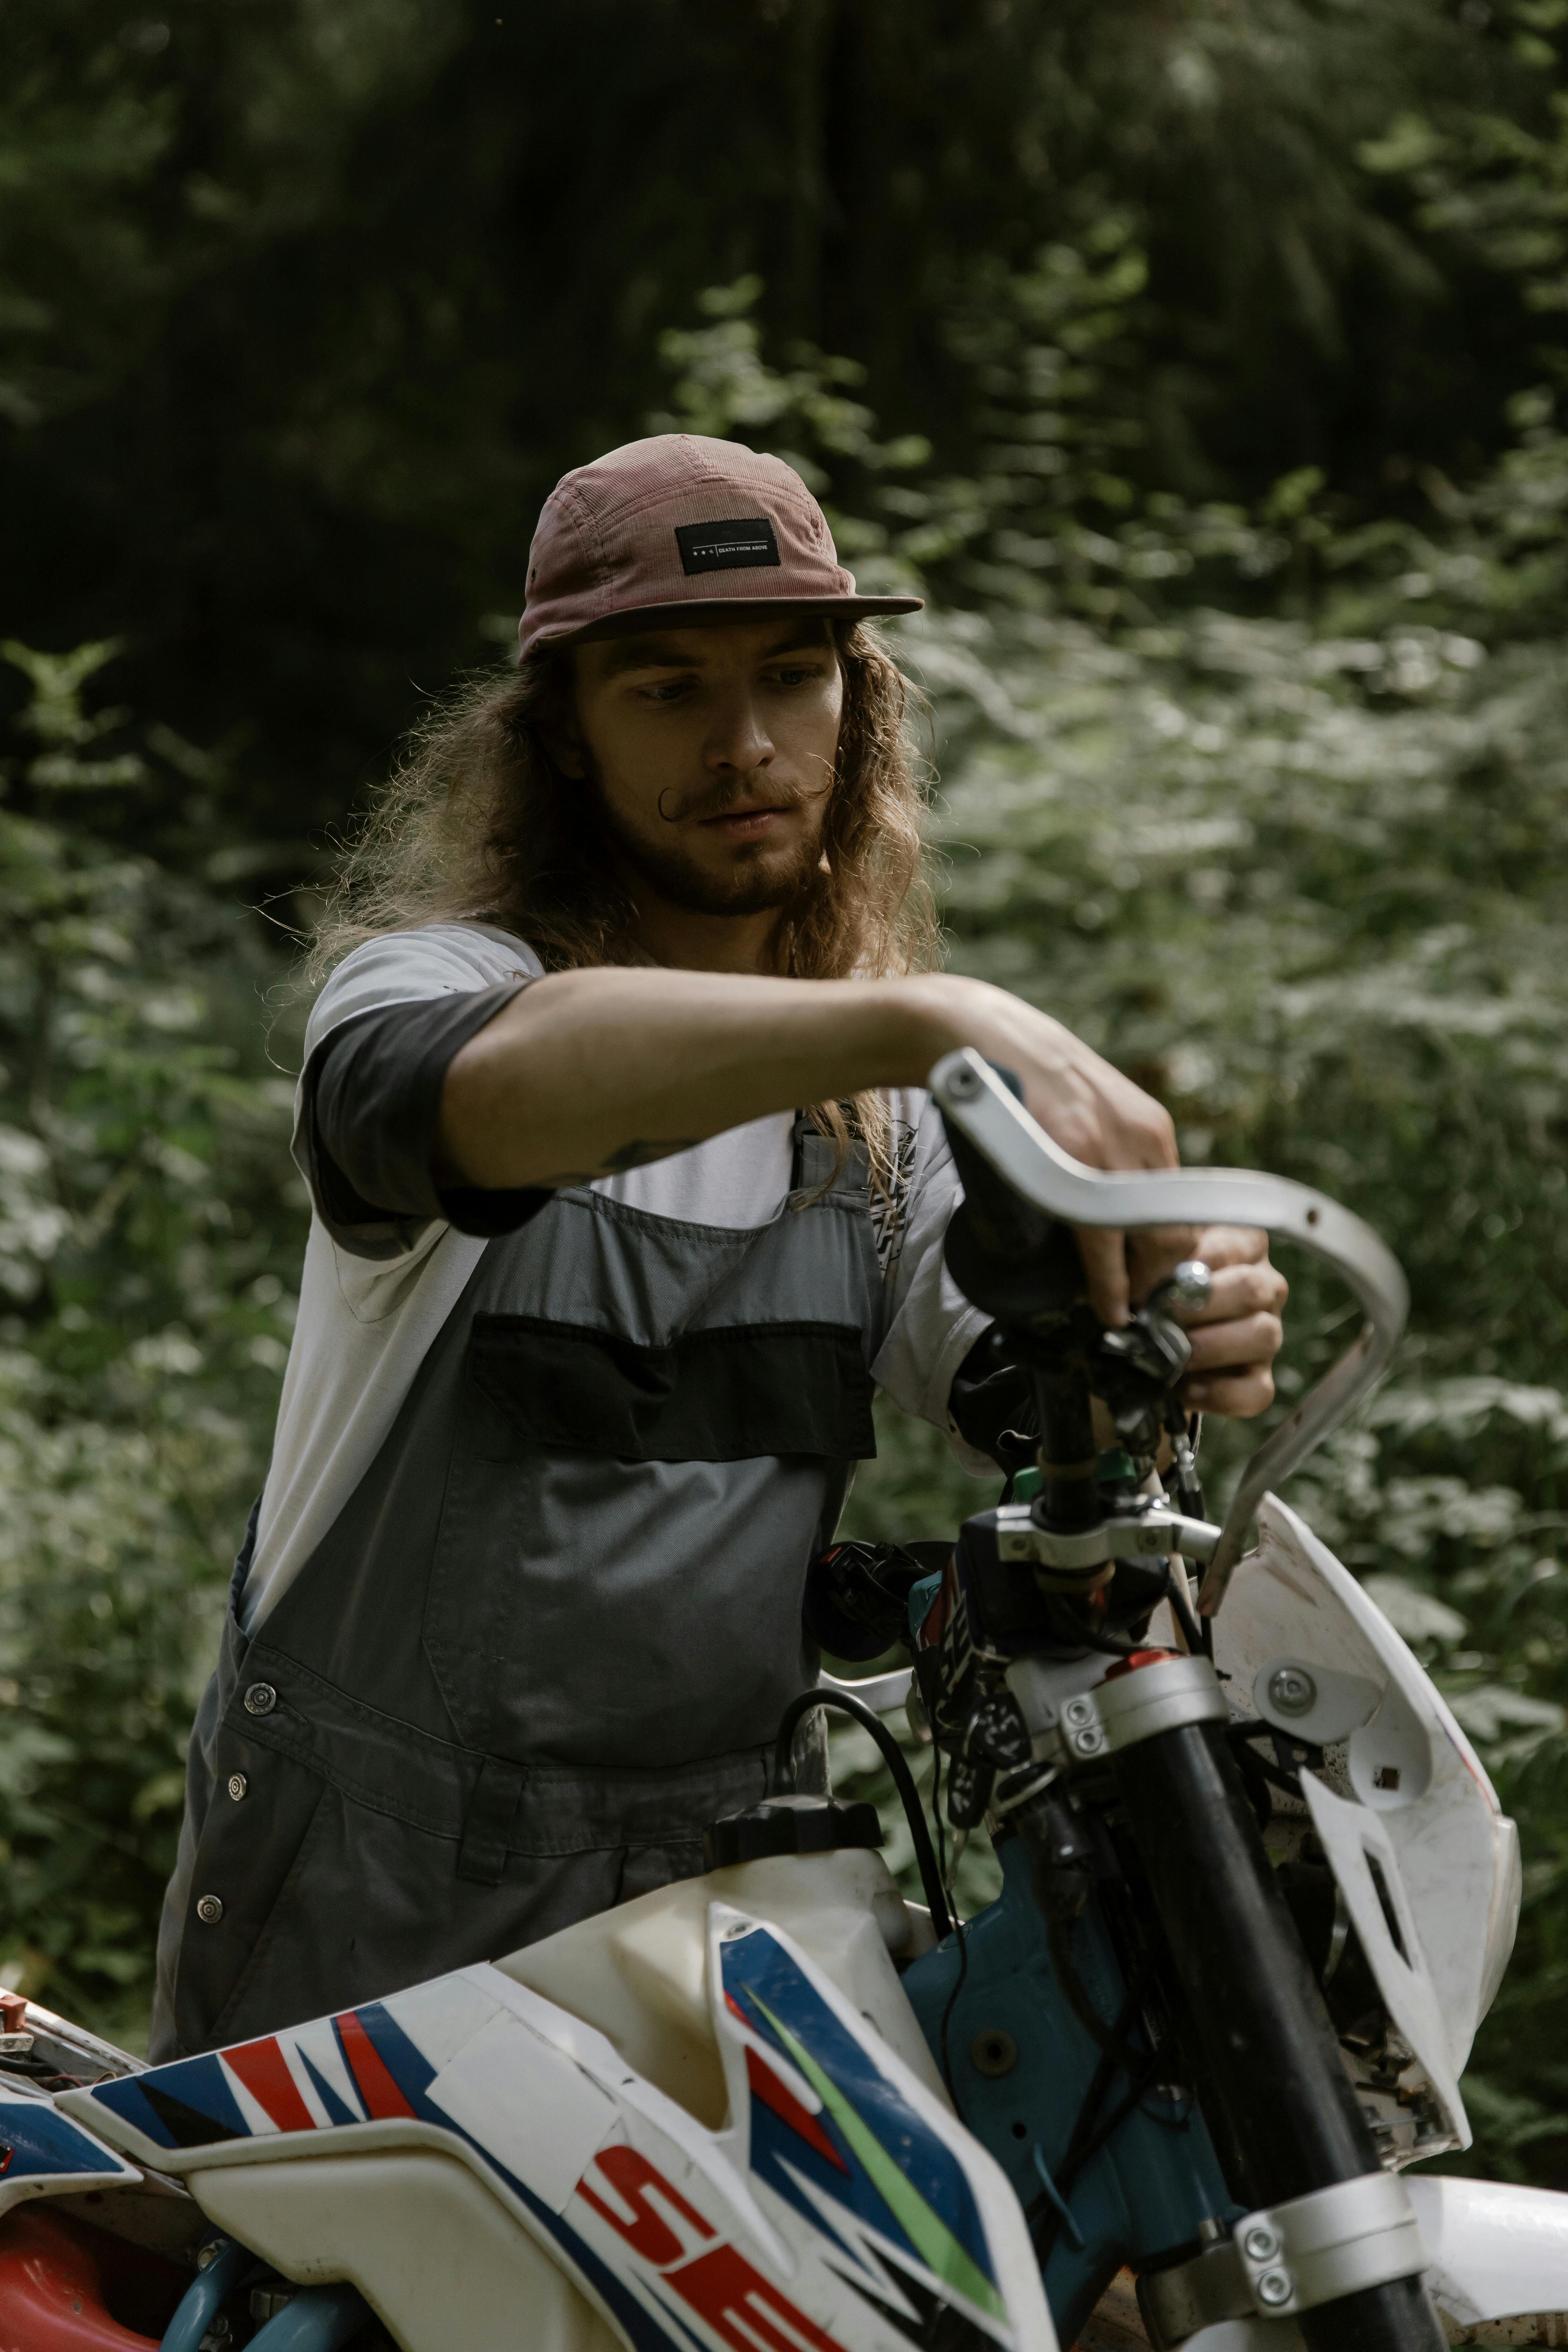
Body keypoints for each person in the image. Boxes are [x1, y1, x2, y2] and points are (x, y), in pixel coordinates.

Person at [149, 434, 1285, 2060]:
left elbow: (1028, 1363)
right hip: (365, 1919)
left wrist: (1171, 1307)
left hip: (723, 1924)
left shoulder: (875, 1130)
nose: (743, 744)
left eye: (792, 676)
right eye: (664, 689)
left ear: (857, 705)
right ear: (561, 744)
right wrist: (922, 1014)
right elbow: (473, 1093)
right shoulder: (427, 992)